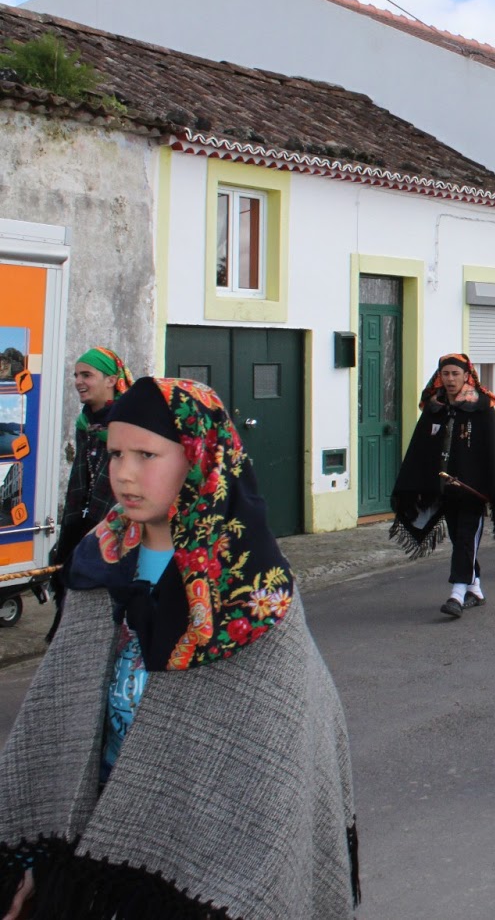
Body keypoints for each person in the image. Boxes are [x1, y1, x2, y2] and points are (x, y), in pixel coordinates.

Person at [0, 377, 358, 920]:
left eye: (147, 455)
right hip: (92, 852)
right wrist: (36, 858)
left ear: (199, 457)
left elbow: (278, 770)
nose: (123, 472)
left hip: (204, 867)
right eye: (115, 453)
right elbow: (57, 724)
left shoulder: (249, 588)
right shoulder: (98, 560)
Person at [391, 354, 495, 618]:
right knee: (459, 540)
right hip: (446, 492)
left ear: (467, 376)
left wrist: (490, 487)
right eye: (446, 374)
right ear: (440, 377)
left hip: (471, 492)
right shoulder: (435, 409)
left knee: (467, 537)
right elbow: (421, 451)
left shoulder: (481, 409)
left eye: (456, 374)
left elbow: (492, 454)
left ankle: (456, 594)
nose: (451, 379)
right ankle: (475, 587)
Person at [46, 347, 134, 644]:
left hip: (117, 529)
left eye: (87, 375)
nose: (78, 381)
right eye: (76, 375)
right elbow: (81, 480)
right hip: (81, 526)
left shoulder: (131, 425)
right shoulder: (86, 424)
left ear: (111, 379)